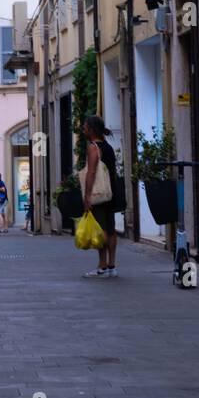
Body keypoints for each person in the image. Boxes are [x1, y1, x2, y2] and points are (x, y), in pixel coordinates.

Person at [81, 115, 119, 278]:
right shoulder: (108, 147)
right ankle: (111, 265)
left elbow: (91, 172)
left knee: (101, 229)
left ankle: (102, 266)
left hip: (99, 193)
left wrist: (87, 195)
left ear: (91, 129)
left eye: (84, 127)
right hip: (111, 191)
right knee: (110, 229)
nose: (83, 129)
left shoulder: (93, 147)